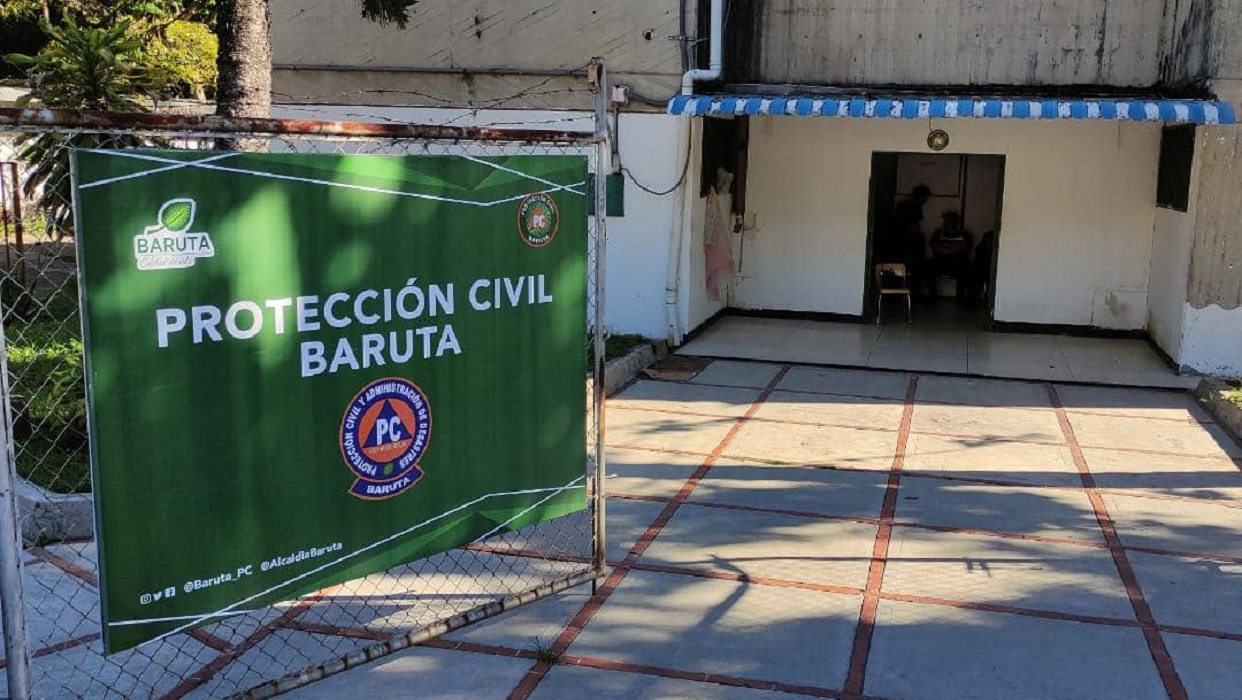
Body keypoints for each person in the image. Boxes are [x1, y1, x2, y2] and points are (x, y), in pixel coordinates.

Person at [879, 185, 930, 294]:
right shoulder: (904, 207)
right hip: (900, 242)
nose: (924, 201)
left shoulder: (914, 208)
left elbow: (915, 226)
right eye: (924, 198)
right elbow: (905, 226)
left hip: (905, 243)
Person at [927, 211, 974, 306]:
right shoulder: (938, 233)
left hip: (958, 263)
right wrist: (954, 249)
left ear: (957, 222)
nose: (948, 223)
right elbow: (935, 246)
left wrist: (946, 250)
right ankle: (932, 296)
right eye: (946, 221)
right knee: (926, 267)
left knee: (968, 268)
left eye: (951, 221)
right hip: (940, 263)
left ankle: (961, 299)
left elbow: (964, 246)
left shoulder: (964, 234)